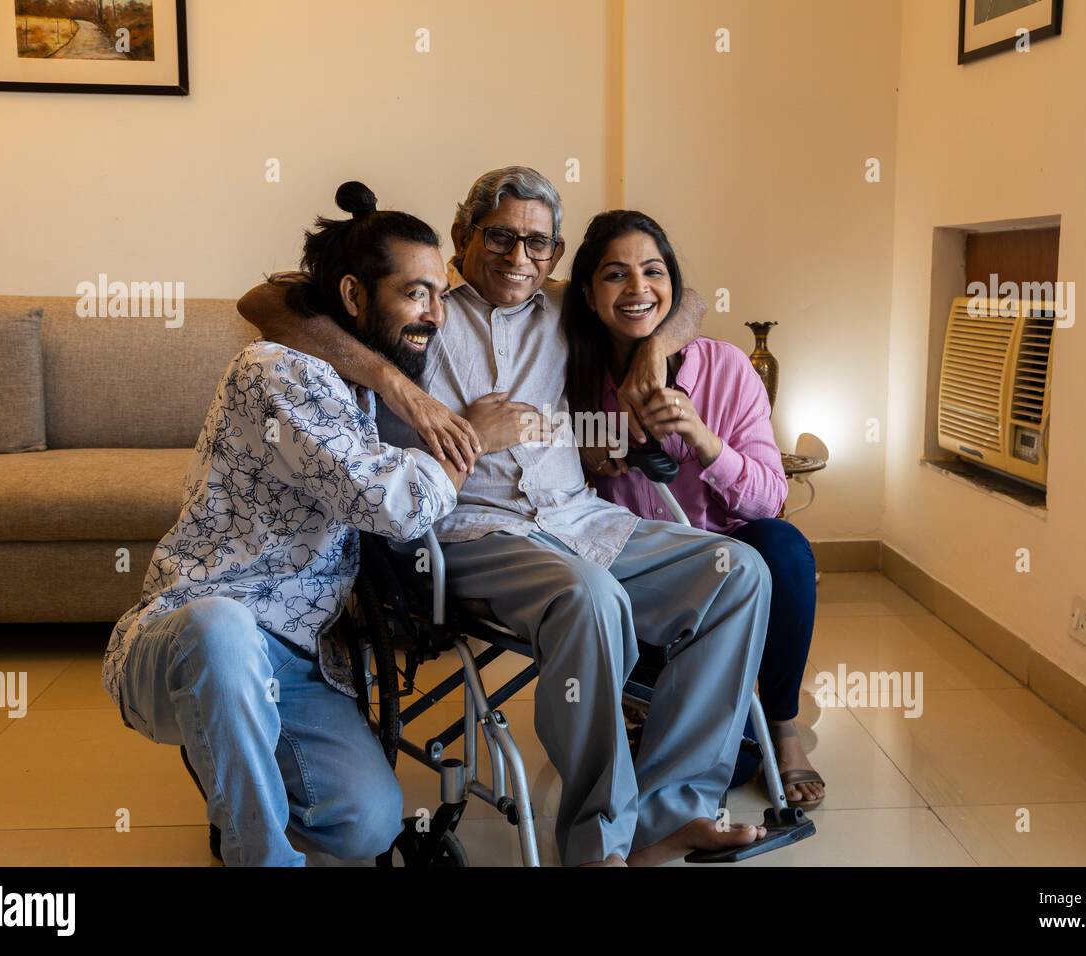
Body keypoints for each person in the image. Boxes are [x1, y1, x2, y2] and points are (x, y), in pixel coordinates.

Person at [238, 167, 777, 866]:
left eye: (538, 244)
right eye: (500, 238)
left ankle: (670, 810)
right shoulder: (415, 307)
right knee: (589, 596)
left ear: (555, 256)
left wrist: (653, 350)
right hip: (466, 530)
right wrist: (404, 390)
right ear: (462, 235)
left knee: (739, 574)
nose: (520, 259)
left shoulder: (562, 308)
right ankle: (599, 843)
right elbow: (265, 300)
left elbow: (685, 297)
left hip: (578, 519)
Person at [103, 182, 487, 866]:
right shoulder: (275, 369)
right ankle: (258, 849)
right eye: (415, 292)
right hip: (189, 631)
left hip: (300, 654)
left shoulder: (367, 384)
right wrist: (473, 439)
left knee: (365, 827)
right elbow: (393, 507)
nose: (435, 312)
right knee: (222, 631)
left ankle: (234, 761)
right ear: (352, 297)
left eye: (441, 293)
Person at [564, 209, 825, 806]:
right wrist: (589, 452)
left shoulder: (728, 368)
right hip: (636, 567)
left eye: (653, 272)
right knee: (726, 769)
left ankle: (782, 725)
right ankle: (666, 712)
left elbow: (770, 497)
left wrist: (706, 441)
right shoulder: (570, 370)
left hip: (730, 561)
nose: (637, 290)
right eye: (614, 276)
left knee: (784, 550)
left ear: (673, 287)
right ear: (587, 292)